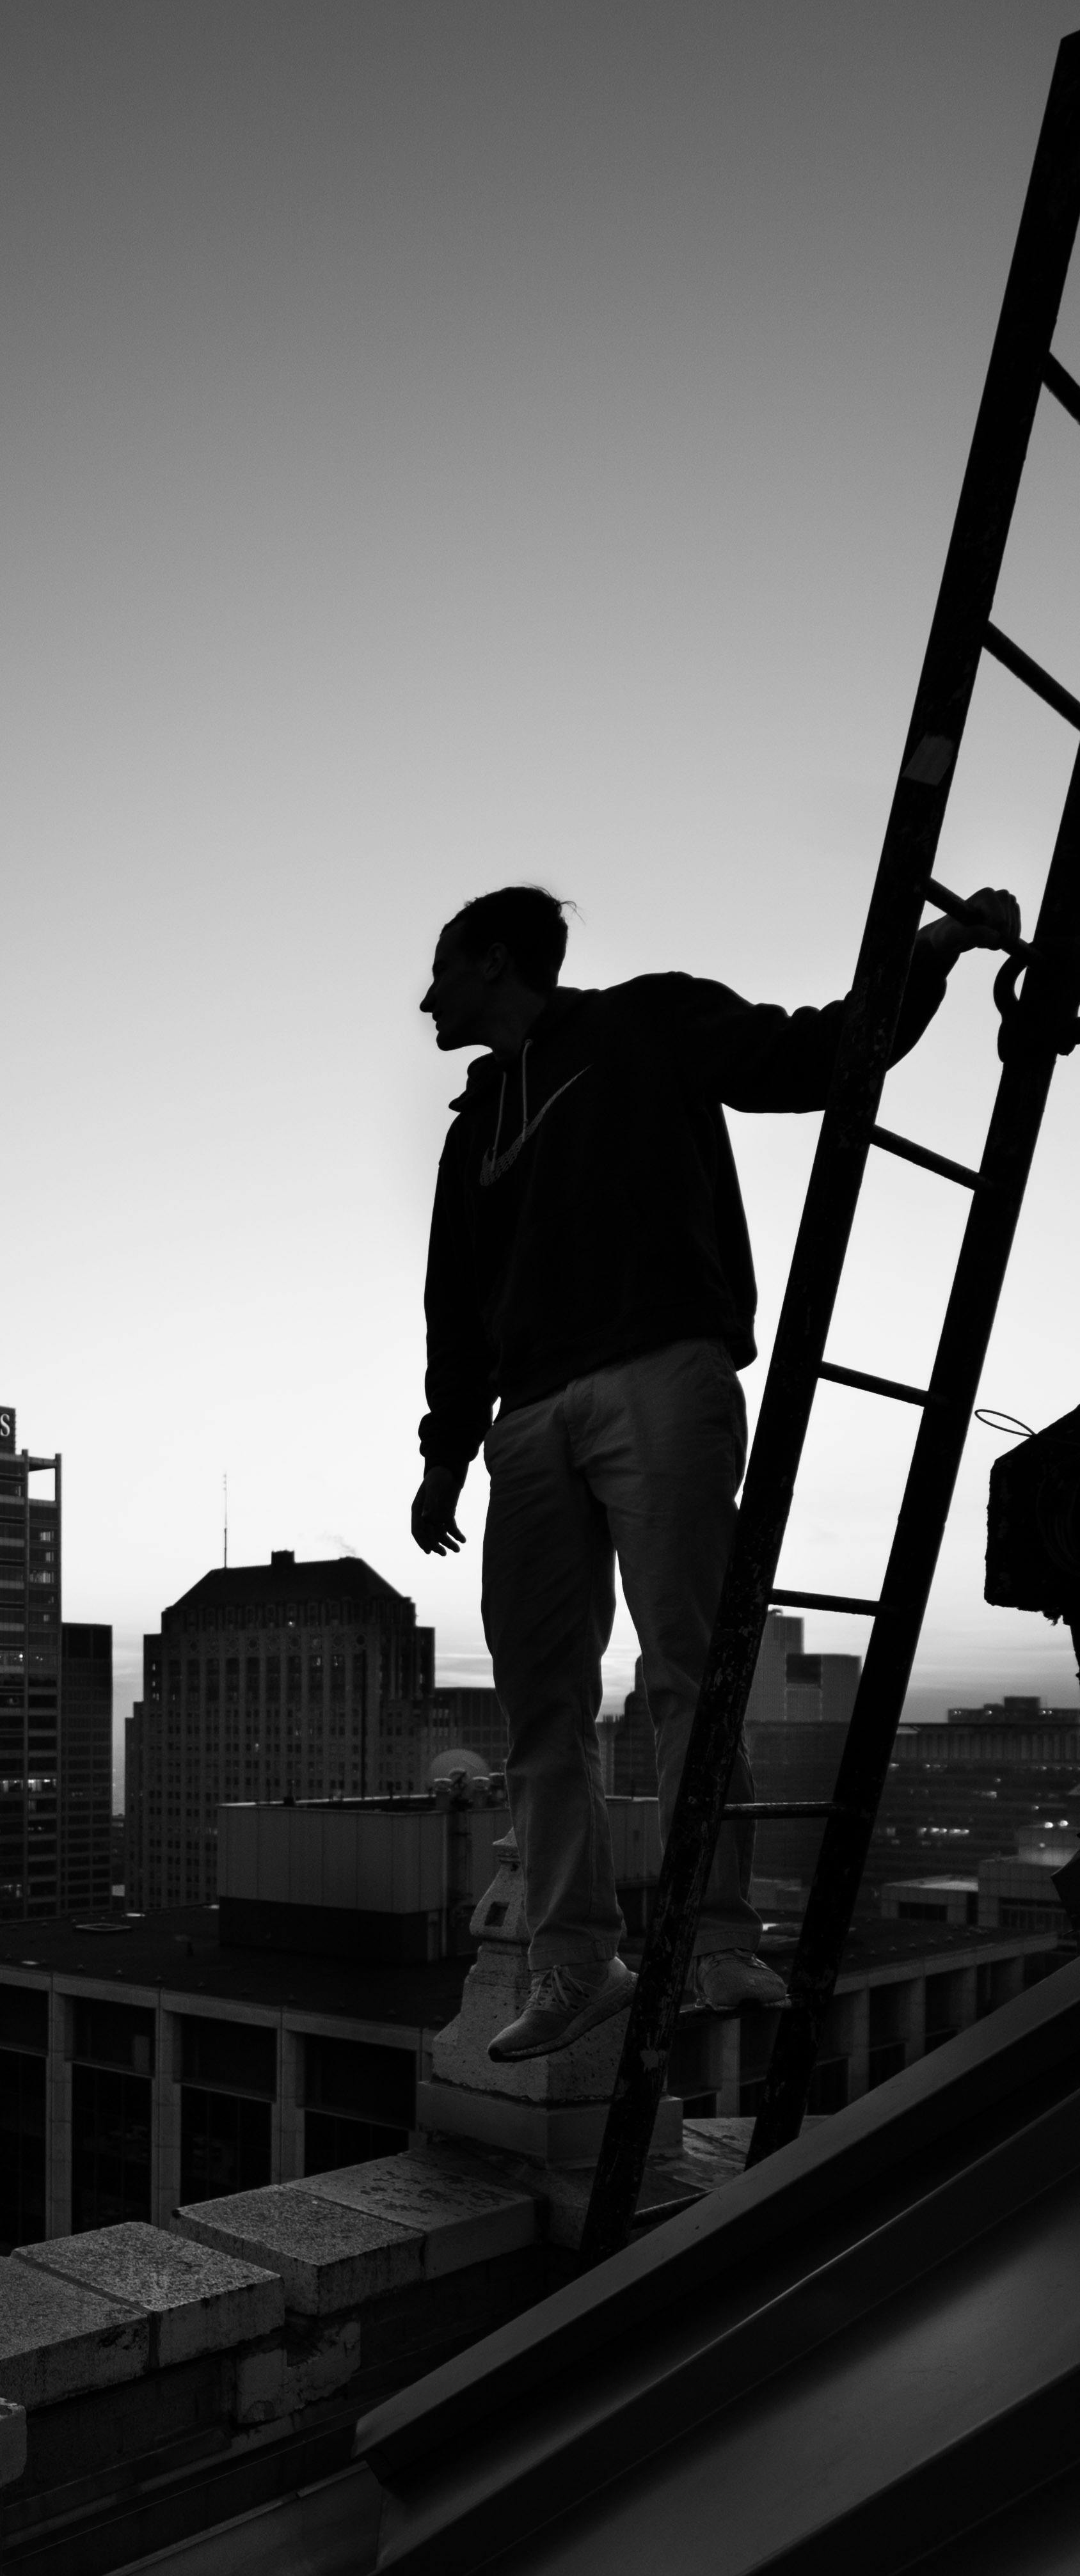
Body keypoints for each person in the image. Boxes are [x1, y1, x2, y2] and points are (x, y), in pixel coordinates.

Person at [411, 878, 1019, 2062]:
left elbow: (816, 1058)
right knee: (545, 1704)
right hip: (528, 1419)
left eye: (439, 968)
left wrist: (936, 951)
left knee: (689, 1665)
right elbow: (454, 1313)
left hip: (661, 1376)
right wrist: (446, 1456)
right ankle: (575, 1961)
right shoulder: (472, 1123)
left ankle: (718, 1939)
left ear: (491, 962)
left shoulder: (646, 1020)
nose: (424, 998)